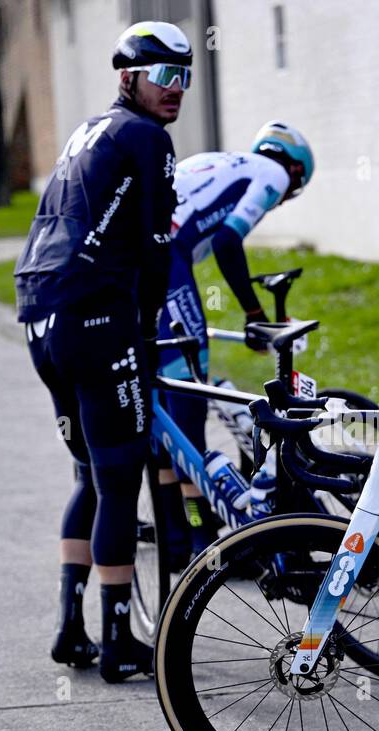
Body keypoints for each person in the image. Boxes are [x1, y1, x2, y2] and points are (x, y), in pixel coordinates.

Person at [14, 20, 191, 683]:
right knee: (120, 475)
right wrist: (145, 330)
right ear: (129, 78)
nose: (175, 90)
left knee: (89, 474)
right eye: (163, 77)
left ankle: (71, 628)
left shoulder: (90, 130)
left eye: (184, 76)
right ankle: (119, 643)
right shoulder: (148, 137)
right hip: (93, 312)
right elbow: (154, 243)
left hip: (39, 310)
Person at [154, 122, 315, 559]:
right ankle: (203, 541)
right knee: (187, 403)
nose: (282, 199)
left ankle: (178, 537)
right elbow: (227, 242)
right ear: (294, 171)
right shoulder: (272, 173)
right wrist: (254, 314)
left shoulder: (219, 160)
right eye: (293, 190)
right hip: (167, 261)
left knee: (165, 410)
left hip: (143, 256)